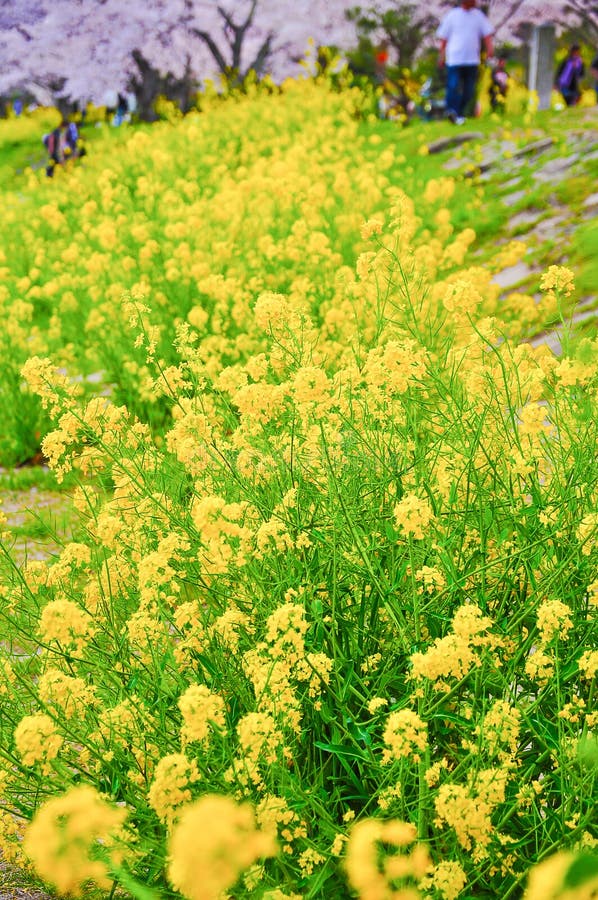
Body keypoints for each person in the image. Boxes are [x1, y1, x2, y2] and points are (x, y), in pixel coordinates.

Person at [436, 0, 494, 125]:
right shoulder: (452, 15)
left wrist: (490, 49)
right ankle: (452, 112)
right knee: (453, 86)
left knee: (469, 90)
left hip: (472, 59)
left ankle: (459, 113)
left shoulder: (478, 16)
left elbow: (487, 34)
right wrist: (441, 56)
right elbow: (443, 38)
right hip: (454, 59)